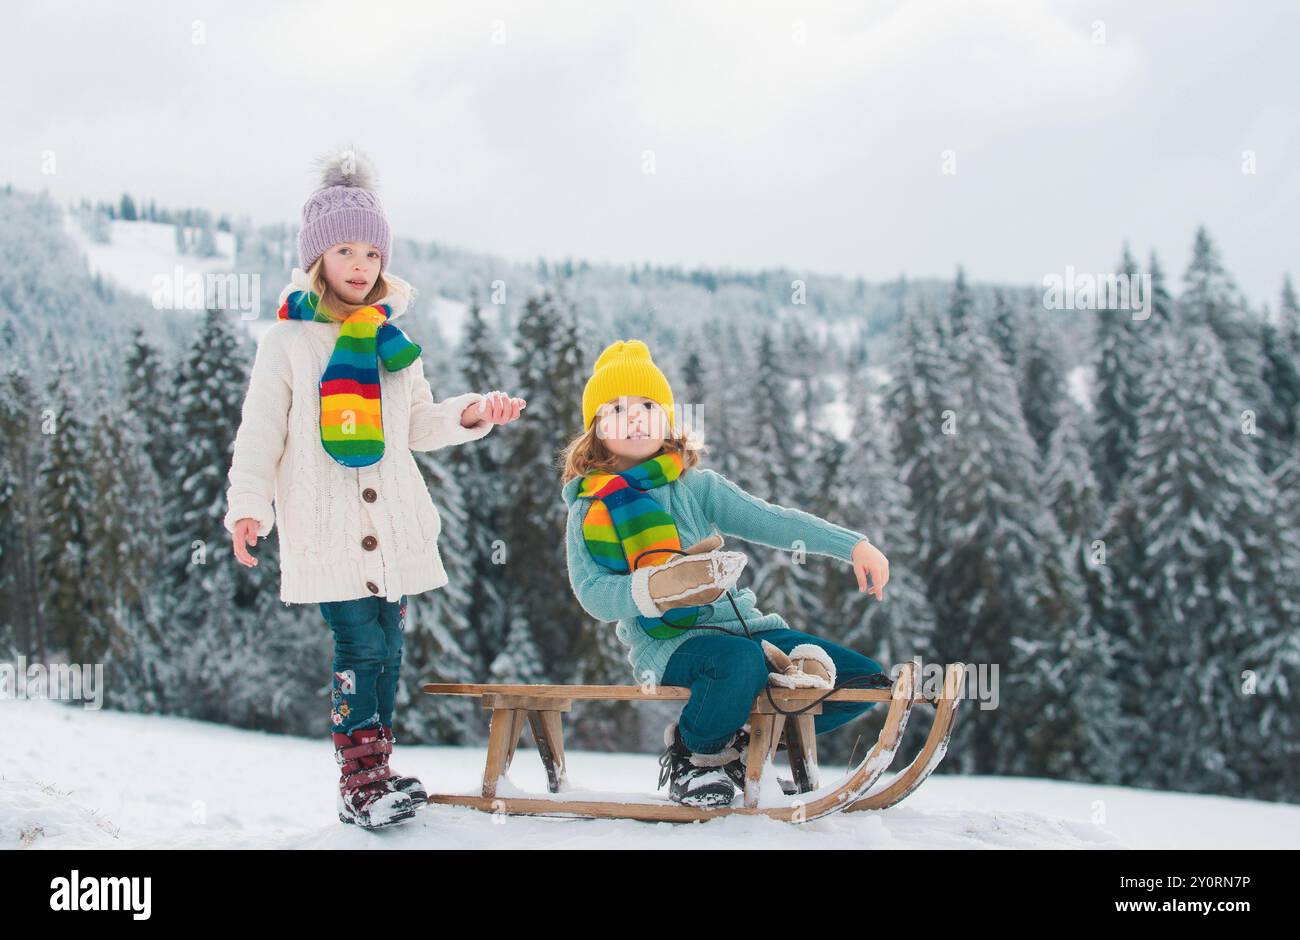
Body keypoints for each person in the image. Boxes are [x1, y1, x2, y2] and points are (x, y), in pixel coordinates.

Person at [223, 147, 525, 828]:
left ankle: (376, 768)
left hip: (392, 529)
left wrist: (474, 411)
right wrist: (248, 507)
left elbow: (419, 424)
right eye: (345, 251)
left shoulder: (392, 341)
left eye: (371, 252)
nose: (361, 265)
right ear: (317, 261)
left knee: (388, 643)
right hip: (326, 530)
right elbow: (260, 431)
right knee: (358, 644)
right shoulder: (290, 341)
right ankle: (359, 776)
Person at [560, 339, 890, 807]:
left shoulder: (697, 487)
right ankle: (694, 755)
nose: (634, 417)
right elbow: (592, 593)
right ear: (596, 428)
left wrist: (852, 544)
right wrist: (653, 587)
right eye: (615, 408)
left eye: (647, 405)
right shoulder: (588, 508)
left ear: (667, 418)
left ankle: (749, 746)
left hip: (750, 631)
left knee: (862, 680)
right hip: (670, 643)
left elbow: (773, 520)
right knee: (738, 662)